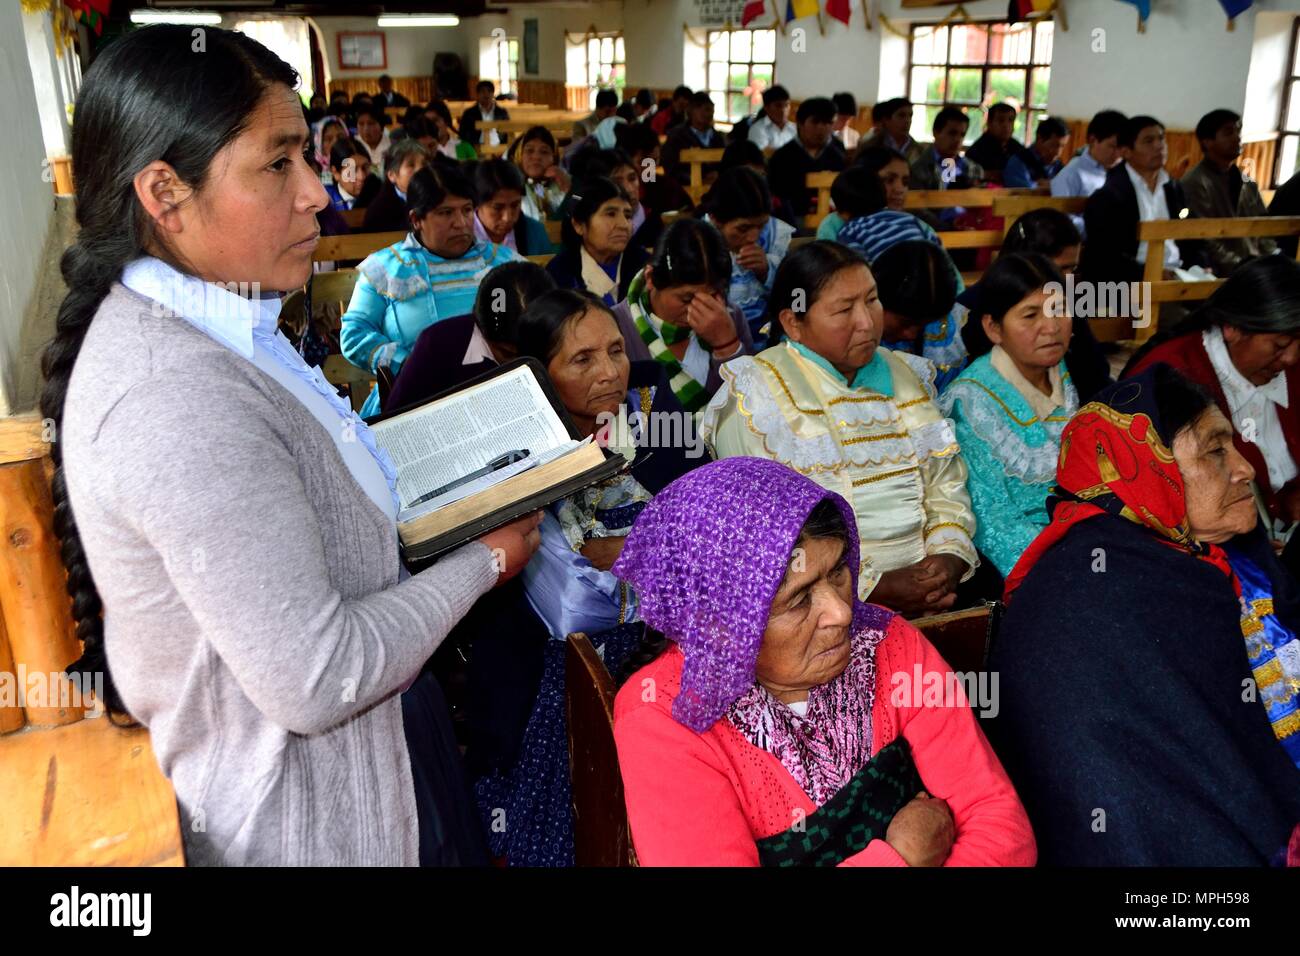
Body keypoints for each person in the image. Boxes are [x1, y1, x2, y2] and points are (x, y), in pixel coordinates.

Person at [50, 24, 542, 867]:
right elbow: (319, 678)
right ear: (164, 192)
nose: (317, 193)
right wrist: (487, 561)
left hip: (378, 749)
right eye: (279, 165)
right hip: (315, 815)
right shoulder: (173, 394)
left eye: (308, 159)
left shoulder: (227, 313)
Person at [611, 457, 1036, 866]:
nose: (842, 612)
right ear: (719, 623)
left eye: (837, 572)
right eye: (799, 599)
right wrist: (899, 858)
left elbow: (1001, 826)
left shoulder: (886, 643)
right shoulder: (663, 719)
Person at [991, 365, 1300, 865]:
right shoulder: (1092, 596)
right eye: (1215, 451)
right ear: (1145, 467)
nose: (1245, 468)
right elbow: (1143, 802)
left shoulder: (1219, 552)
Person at [478, 288, 707, 866]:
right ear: (539, 376)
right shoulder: (518, 449)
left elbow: (709, 527)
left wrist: (635, 547)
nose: (610, 373)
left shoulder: (652, 412)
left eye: (615, 350)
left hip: (672, 628)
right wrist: (662, 552)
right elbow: (570, 601)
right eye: (582, 360)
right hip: (559, 653)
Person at [700, 242, 979, 616]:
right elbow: (759, 537)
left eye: (872, 300)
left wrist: (947, 558)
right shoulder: (757, 396)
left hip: (923, 603)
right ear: (793, 322)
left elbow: (946, 485)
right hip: (813, 615)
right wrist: (870, 587)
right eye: (844, 309)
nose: (866, 321)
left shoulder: (906, 376)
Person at [1124, 255, 1300, 527]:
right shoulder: (1169, 379)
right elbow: (1149, 498)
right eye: (1279, 345)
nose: (1290, 359)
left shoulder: (1292, 366)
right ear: (1232, 327)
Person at [342, 163, 520, 416]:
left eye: (467, 210)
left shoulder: (504, 263)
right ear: (417, 220)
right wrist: (406, 364)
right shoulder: (386, 269)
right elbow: (354, 334)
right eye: (446, 213)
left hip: (497, 392)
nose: (460, 223)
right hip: (415, 397)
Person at [941, 254, 1078, 579]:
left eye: (1059, 309)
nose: (1052, 326)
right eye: (1030, 315)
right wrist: (1067, 571)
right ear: (993, 327)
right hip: (1030, 562)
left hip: (1080, 536)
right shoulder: (971, 402)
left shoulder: (1060, 372)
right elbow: (992, 522)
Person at [959, 208, 1112, 403]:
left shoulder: (1065, 300)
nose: (1067, 279)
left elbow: (1096, 373)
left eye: (1072, 269)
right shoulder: (969, 310)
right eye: (1059, 268)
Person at [612, 218, 753, 410]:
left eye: (713, 295)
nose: (700, 309)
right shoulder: (616, 327)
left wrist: (727, 347)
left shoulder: (729, 317)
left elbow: (751, 407)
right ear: (651, 278)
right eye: (687, 299)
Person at [837, 190, 966, 388]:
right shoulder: (845, 331)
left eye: (923, 324)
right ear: (875, 297)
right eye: (906, 323)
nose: (911, 335)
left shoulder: (947, 327)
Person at [386, 261, 555, 411]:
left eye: (537, 354)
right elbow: (395, 424)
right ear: (479, 324)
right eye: (508, 354)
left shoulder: (571, 335)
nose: (524, 367)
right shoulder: (437, 344)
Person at [1081, 114, 1205, 285]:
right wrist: (1151, 273)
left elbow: (1189, 232)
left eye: (1161, 139)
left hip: (1177, 275)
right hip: (1128, 282)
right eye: (1148, 141)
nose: (1159, 146)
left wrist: (1199, 266)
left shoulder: (1173, 188)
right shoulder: (1108, 196)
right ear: (1126, 152)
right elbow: (1105, 256)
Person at [701, 166, 794, 346]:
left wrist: (767, 270)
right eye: (742, 228)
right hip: (715, 343)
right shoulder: (698, 241)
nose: (754, 237)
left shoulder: (774, 236)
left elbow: (793, 294)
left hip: (769, 340)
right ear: (715, 219)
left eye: (761, 226)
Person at [1181, 108, 1276, 275]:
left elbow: (1264, 226)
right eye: (1228, 132)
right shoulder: (1195, 182)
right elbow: (1205, 238)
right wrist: (1240, 267)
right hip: (1217, 271)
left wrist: (1270, 259)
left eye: (1238, 130)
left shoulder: (1247, 182)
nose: (1237, 137)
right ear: (1207, 142)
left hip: (1254, 267)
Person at [544, 176, 645, 305]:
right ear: (579, 225)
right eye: (610, 214)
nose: (623, 224)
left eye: (628, 216)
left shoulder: (645, 267)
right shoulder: (559, 273)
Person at [766, 97, 847, 222]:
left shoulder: (839, 153)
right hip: (793, 220)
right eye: (815, 122)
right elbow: (779, 200)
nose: (821, 128)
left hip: (833, 219)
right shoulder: (782, 157)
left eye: (828, 123)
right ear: (800, 122)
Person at [1050, 108, 1126, 235]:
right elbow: (1063, 220)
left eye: (1122, 148)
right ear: (1092, 140)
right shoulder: (1072, 174)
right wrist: (1100, 228)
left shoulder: (1123, 173)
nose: (1118, 154)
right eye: (1113, 146)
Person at [471, 158, 553, 255]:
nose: (507, 218)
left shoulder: (535, 232)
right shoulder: (463, 235)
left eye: (515, 205)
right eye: (497, 208)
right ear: (477, 203)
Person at [362, 137, 428, 233]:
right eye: (411, 165)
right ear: (392, 175)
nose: (420, 170)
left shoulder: (437, 197)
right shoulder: (380, 210)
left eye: (424, 164)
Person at [660, 91, 725, 187]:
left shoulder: (718, 137)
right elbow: (670, 168)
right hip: (685, 190)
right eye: (699, 108)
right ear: (690, 111)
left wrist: (719, 175)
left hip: (716, 189)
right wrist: (697, 180)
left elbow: (727, 164)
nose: (706, 113)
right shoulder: (676, 136)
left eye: (709, 109)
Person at [909, 106, 982, 192]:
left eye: (962, 135)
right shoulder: (917, 170)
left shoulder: (974, 169)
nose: (958, 140)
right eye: (952, 133)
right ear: (935, 132)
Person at [511, 126, 569, 221]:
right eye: (529, 151)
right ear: (519, 156)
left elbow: (582, 209)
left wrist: (569, 189)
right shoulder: (509, 185)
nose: (536, 157)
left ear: (554, 158)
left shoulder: (565, 181)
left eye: (544, 152)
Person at [1002, 115, 1068, 188]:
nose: (1058, 152)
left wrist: (1049, 185)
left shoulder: (1058, 165)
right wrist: (1053, 186)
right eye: (1053, 145)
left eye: (1062, 146)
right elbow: (1024, 192)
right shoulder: (1018, 162)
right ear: (1039, 139)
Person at [965, 102, 1022, 184]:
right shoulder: (977, 150)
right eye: (1001, 120)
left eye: (1010, 120)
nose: (1006, 125)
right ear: (989, 123)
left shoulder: (1017, 148)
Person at [861, 97, 926, 166]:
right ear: (886, 120)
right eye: (901, 115)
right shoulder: (870, 147)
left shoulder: (920, 150)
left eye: (910, 116)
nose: (907, 121)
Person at [324, 136, 379, 211]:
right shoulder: (325, 202)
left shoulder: (379, 196)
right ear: (336, 173)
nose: (361, 177)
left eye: (365, 168)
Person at [852, 144, 912, 211]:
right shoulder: (842, 220)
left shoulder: (912, 220)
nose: (900, 190)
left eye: (905, 182)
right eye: (889, 180)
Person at [459, 80, 509, 148]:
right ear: (477, 94)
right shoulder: (469, 113)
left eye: (489, 91)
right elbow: (464, 134)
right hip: (477, 147)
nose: (486, 94)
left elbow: (507, 134)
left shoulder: (502, 112)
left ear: (493, 93)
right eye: (482, 91)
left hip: (498, 147)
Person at [747, 85, 796, 152]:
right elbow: (762, 157)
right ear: (766, 108)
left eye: (786, 105)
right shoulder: (758, 129)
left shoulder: (795, 129)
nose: (783, 110)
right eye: (778, 106)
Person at [354, 104, 391, 171]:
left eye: (371, 124)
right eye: (361, 124)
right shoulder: (352, 146)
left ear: (381, 126)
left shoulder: (392, 146)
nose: (366, 129)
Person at [312, 115, 347, 184]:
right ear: (319, 142)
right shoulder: (313, 169)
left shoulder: (356, 162)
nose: (335, 142)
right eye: (328, 139)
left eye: (340, 137)